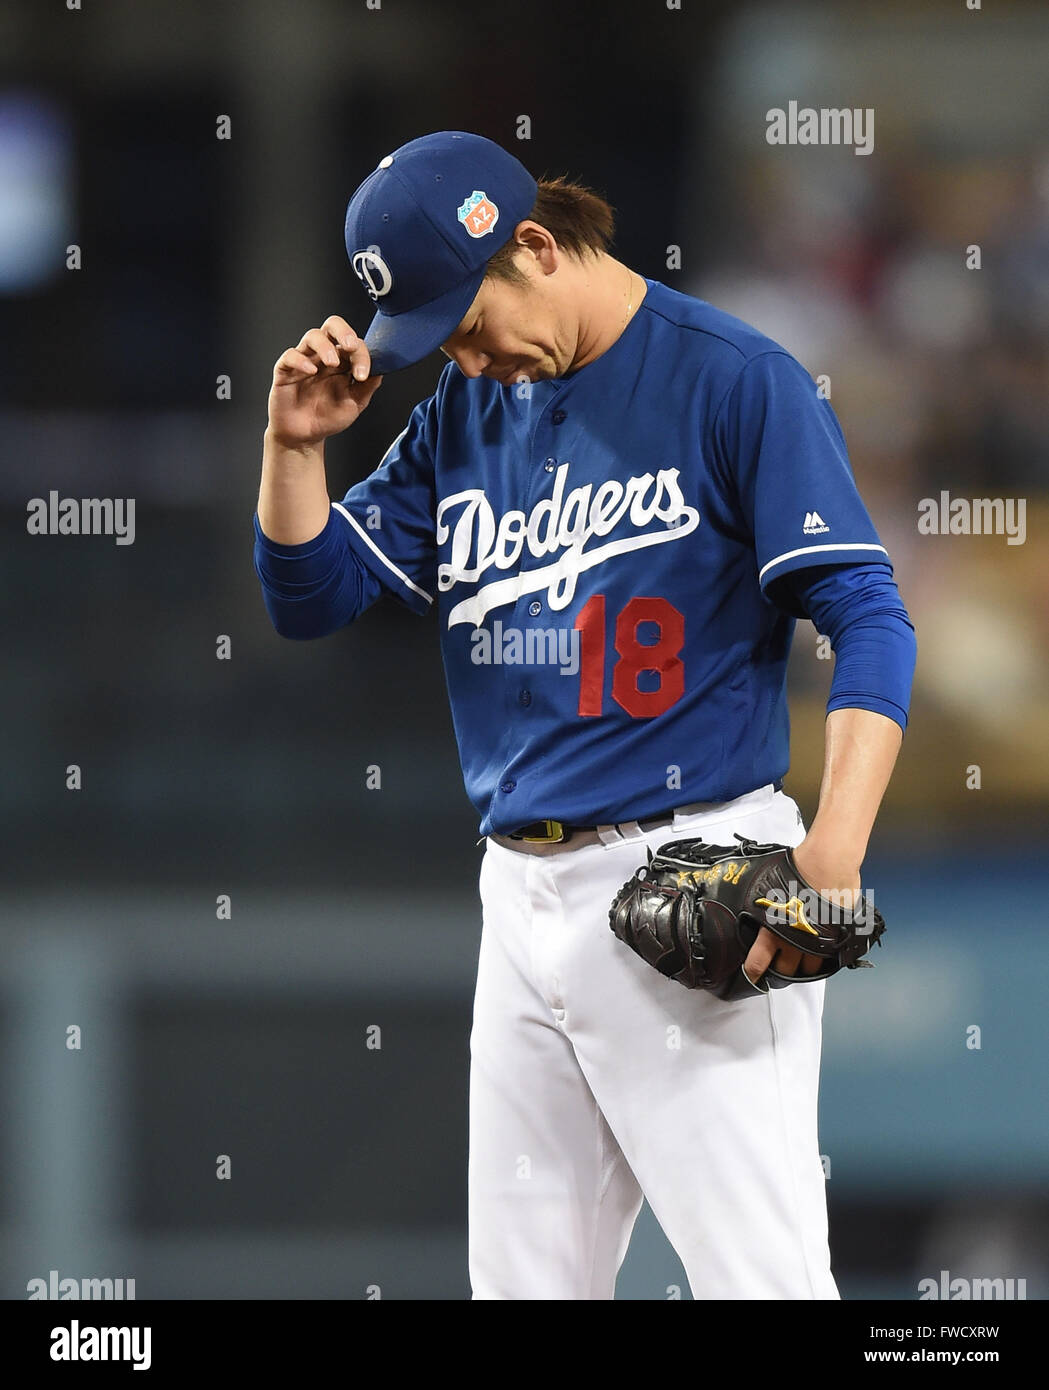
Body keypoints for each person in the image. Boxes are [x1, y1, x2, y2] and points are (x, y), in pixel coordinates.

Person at [253, 131, 916, 1300]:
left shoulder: (733, 377)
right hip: (516, 895)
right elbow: (312, 599)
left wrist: (832, 855)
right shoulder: (463, 412)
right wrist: (292, 449)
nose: (460, 352)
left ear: (535, 245)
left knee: (762, 1286)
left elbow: (865, 614)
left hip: (691, 874)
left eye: (465, 319)